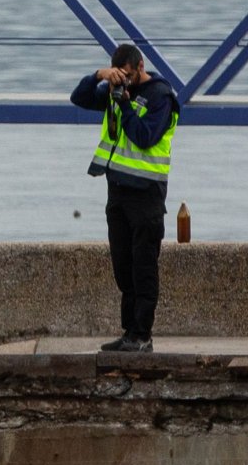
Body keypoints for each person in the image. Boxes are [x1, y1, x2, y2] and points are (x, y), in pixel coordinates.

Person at [69, 44, 180, 352]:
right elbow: (78, 98)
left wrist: (128, 105)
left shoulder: (161, 97)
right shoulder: (115, 88)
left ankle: (143, 335)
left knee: (144, 266)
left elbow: (146, 137)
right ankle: (129, 332)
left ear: (140, 67)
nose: (124, 82)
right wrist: (99, 77)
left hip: (146, 193)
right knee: (123, 265)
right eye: (121, 77)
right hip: (117, 190)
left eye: (129, 76)